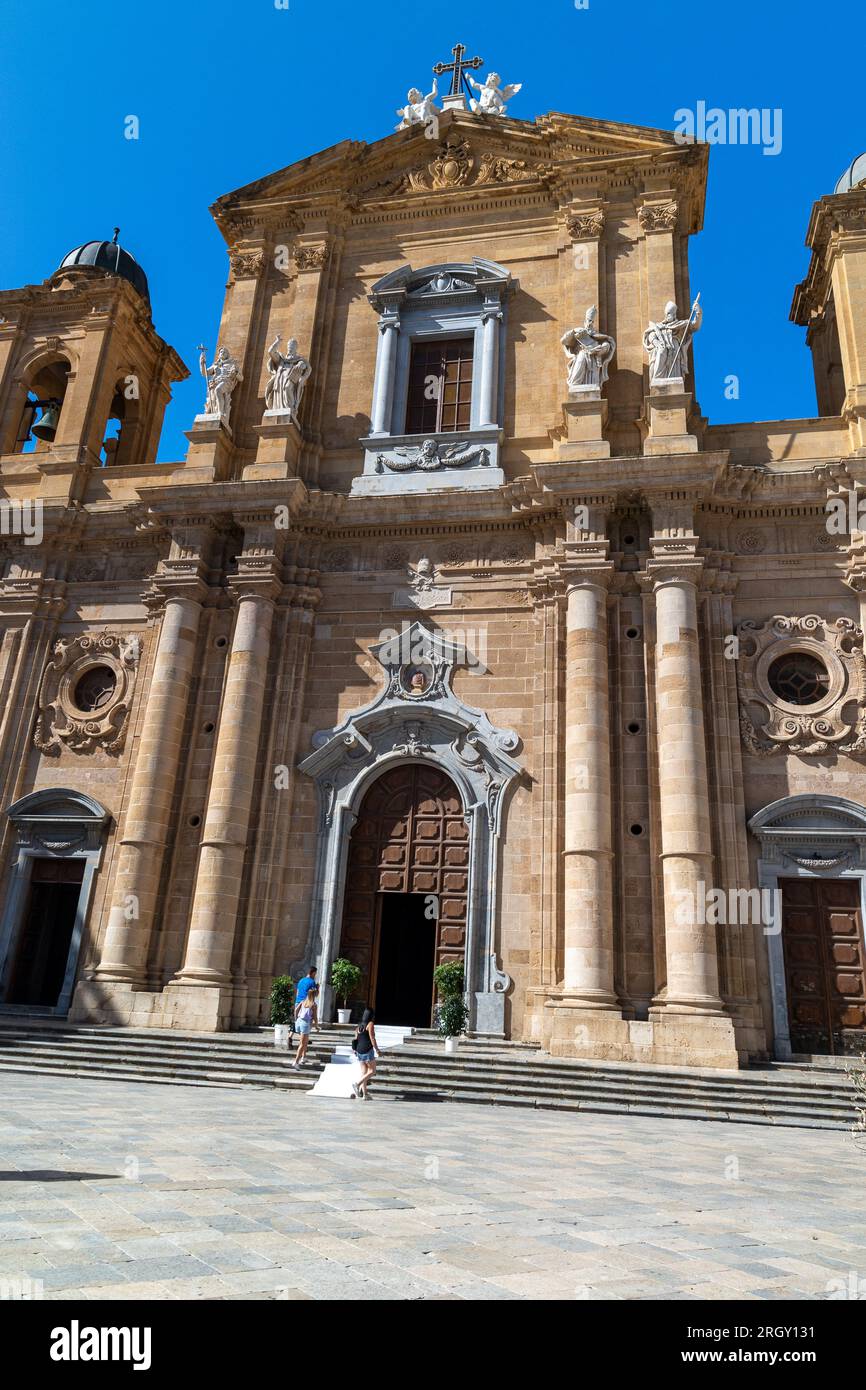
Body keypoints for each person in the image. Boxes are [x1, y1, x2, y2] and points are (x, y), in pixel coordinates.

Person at [350, 1007, 380, 1101]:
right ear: (371, 1016)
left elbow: (356, 1039)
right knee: (372, 1071)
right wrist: (377, 1049)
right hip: (367, 1050)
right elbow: (372, 1038)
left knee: (364, 1072)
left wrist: (354, 1049)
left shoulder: (359, 1026)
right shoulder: (370, 1024)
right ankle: (357, 1084)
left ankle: (365, 1095)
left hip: (359, 1050)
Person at [291, 985, 319, 1069]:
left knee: (305, 1041)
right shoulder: (313, 1004)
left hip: (299, 1022)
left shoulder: (303, 1001)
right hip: (305, 1024)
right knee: (302, 1044)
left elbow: (296, 1010)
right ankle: (296, 1062)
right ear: (314, 995)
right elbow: (315, 1017)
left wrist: (296, 1019)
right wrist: (316, 1026)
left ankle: (304, 1057)